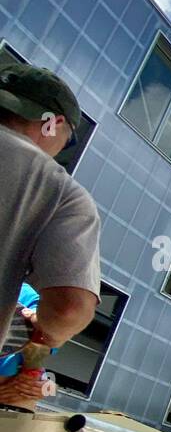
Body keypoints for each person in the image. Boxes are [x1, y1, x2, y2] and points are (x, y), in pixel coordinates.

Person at [0, 62, 100, 411]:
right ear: (51, 122)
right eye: (68, 138)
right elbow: (69, 308)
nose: (62, 147)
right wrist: (40, 342)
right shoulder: (59, 192)